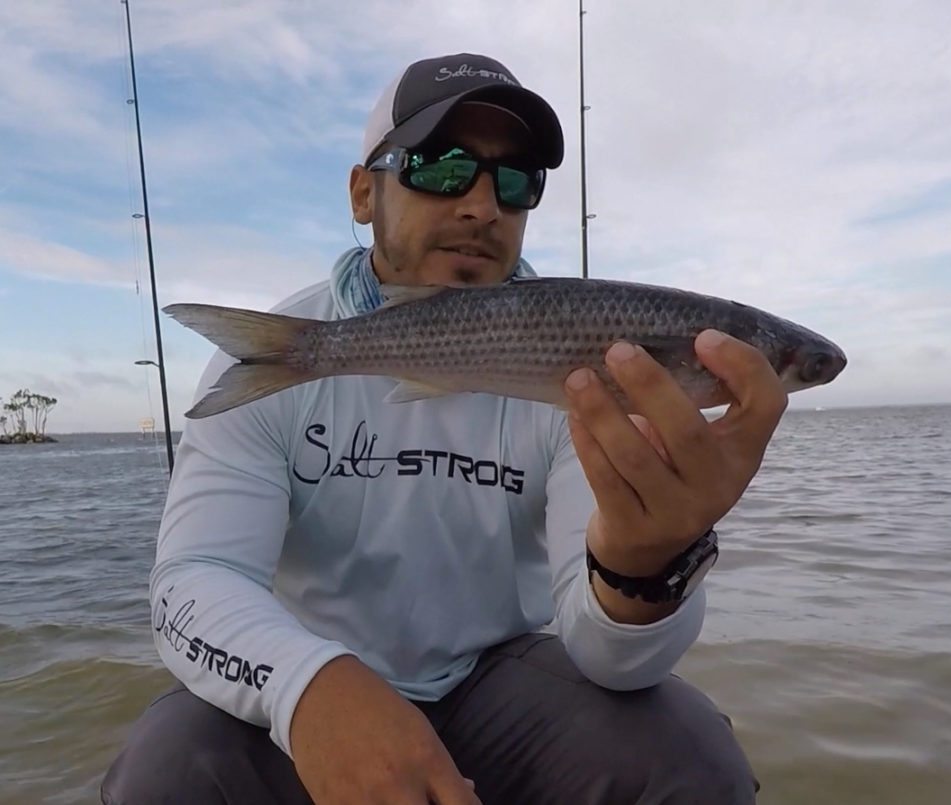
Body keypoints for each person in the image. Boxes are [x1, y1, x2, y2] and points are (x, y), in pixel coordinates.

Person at [101, 51, 786, 804]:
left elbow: (614, 660)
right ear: (363, 192)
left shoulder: (590, 369)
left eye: (516, 181)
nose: (483, 205)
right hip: (303, 678)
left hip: (499, 686)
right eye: (439, 165)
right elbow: (192, 583)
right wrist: (309, 687)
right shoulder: (291, 348)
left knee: (683, 751)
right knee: (169, 767)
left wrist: (645, 566)